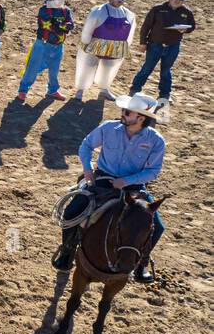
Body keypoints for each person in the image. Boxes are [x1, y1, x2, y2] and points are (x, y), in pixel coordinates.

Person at [51, 94, 166, 283]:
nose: (122, 114)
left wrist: (127, 181)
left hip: (134, 188)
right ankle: (67, 251)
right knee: (71, 211)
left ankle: (141, 264)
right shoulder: (108, 128)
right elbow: (86, 146)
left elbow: (153, 171)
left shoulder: (156, 141)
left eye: (127, 112)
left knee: (158, 227)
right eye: (123, 110)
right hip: (102, 181)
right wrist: (87, 169)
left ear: (141, 118)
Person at [128, 0, 195, 106]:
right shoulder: (157, 9)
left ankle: (164, 95)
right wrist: (143, 43)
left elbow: (192, 27)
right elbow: (146, 27)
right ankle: (134, 90)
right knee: (147, 68)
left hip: (173, 46)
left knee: (166, 70)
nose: (178, 0)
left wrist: (184, 30)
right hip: (155, 45)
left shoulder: (187, 12)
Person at [74, 0, 136, 101]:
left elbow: (131, 31)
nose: (120, 1)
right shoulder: (99, 11)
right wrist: (86, 41)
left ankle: (104, 89)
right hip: (96, 43)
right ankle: (80, 90)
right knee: (87, 65)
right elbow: (89, 27)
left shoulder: (128, 14)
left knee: (109, 68)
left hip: (115, 46)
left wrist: (127, 45)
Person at [17, 0, 74, 103]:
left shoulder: (65, 10)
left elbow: (70, 24)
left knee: (54, 70)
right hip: (43, 44)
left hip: (58, 45)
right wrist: (63, 26)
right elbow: (48, 25)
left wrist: (62, 25)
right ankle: (23, 90)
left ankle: (53, 90)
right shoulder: (44, 9)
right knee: (33, 68)